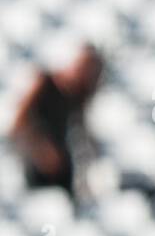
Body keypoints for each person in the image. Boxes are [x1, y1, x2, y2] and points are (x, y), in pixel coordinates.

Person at [10, 44, 103, 197]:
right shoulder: (44, 82)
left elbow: (83, 132)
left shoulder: (76, 97)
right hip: (33, 157)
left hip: (59, 161)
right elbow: (19, 122)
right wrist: (41, 149)